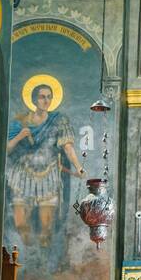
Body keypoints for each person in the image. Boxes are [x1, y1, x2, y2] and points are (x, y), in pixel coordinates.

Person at [7, 82, 84, 247]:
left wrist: (78, 167)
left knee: (46, 229)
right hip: (22, 176)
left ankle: (44, 262)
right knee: (21, 225)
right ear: (34, 100)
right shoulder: (20, 121)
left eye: (49, 97)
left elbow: (68, 147)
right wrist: (20, 136)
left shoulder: (59, 121)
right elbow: (6, 149)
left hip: (48, 176)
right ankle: (25, 257)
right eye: (42, 97)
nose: (46, 100)